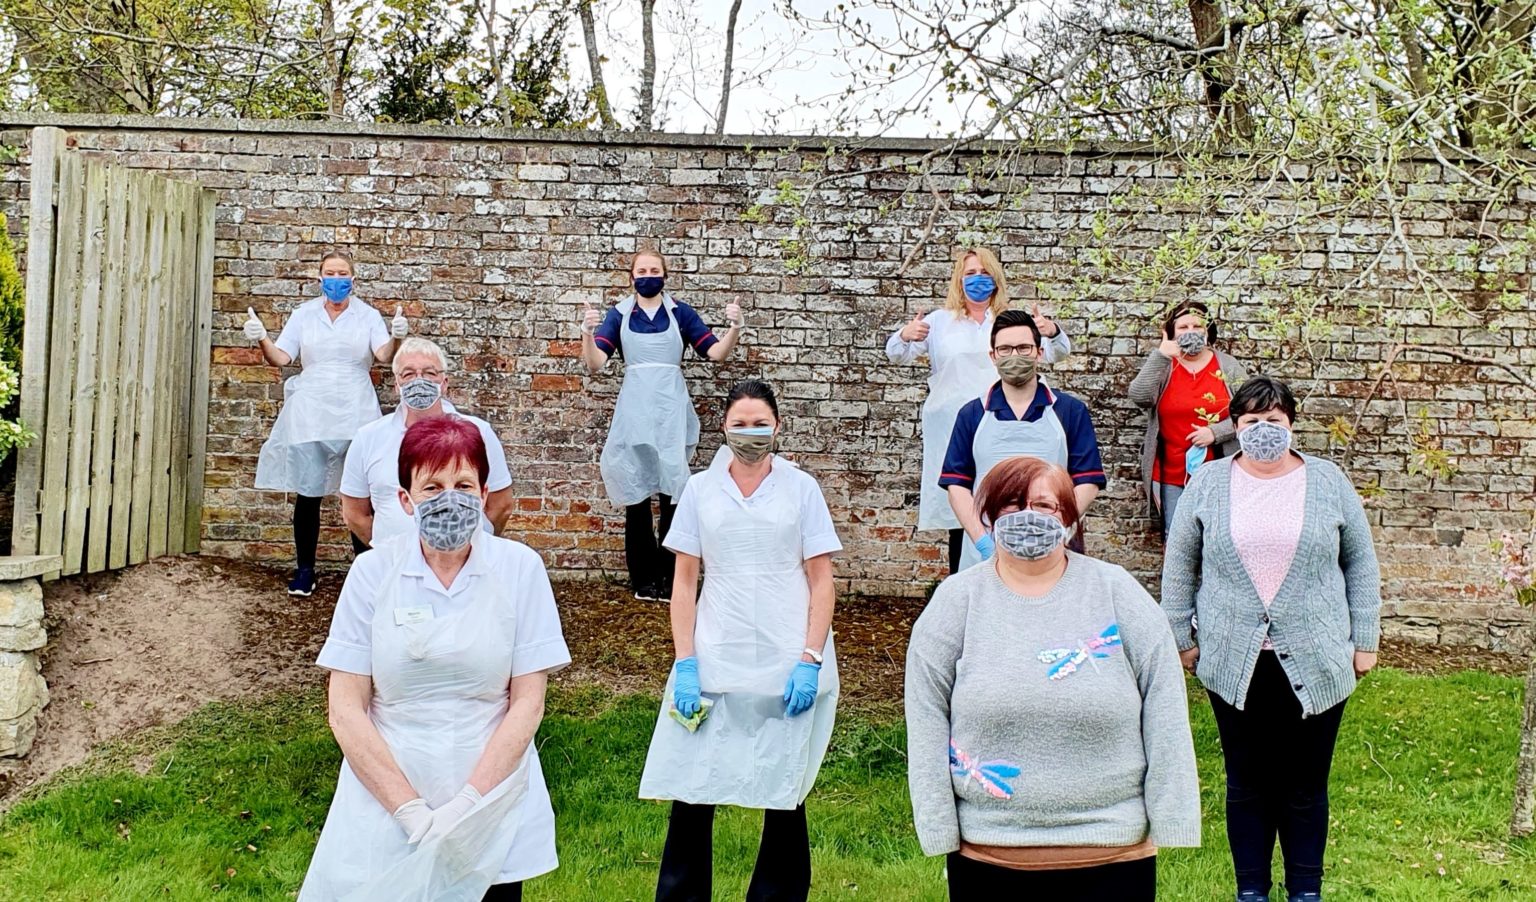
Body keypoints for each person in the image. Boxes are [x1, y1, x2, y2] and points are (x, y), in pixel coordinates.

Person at [300, 416, 570, 902]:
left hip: (491, 800)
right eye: (433, 486)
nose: (450, 497)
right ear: (405, 500)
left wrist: (469, 803)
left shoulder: (519, 570)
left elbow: (528, 703)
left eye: (463, 484)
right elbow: (344, 707)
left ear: (484, 493)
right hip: (386, 800)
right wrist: (408, 809)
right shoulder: (371, 574)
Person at [906, 456, 1200, 899]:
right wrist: (937, 826)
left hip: (1113, 853)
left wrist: (1172, 816)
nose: (1027, 516)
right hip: (988, 853)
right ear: (987, 516)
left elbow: (1165, 706)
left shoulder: (1116, 590)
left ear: (1068, 517)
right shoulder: (956, 602)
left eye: (1044, 506)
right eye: (1011, 505)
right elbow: (926, 717)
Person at [1162, 375, 1382, 902]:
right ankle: (1251, 891)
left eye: (1274, 421)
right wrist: (1182, 638)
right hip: (1232, 659)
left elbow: (1360, 561)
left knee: (1305, 786)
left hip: (1319, 656)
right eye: (1251, 422)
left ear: (1291, 424)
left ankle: (1306, 890)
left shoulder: (1328, 480)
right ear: (1234, 427)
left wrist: (1365, 636)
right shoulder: (1210, 483)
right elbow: (1179, 565)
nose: (1263, 430)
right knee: (1247, 783)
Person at [637, 379, 842, 902]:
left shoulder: (801, 489)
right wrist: (685, 661)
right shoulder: (702, 491)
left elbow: (822, 579)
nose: (750, 433)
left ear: (777, 427)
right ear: (723, 429)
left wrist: (810, 658)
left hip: (785, 650)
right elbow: (685, 581)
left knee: (784, 787)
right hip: (716, 650)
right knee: (694, 783)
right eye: (740, 423)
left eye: (760, 423)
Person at [886, 247, 1071, 573]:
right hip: (951, 423)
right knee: (959, 500)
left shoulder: (1010, 321)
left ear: (996, 279)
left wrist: (1051, 330)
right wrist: (904, 334)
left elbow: (1057, 352)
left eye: (984, 273)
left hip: (1000, 420)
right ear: (959, 279)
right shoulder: (940, 322)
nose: (977, 281)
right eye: (970, 274)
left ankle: (1017, 575)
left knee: (1004, 495)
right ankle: (963, 583)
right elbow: (897, 354)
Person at [580, 248, 743, 602]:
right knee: (636, 497)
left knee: (673, 497)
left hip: (671, 411)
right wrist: (586, 334)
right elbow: (596, 363)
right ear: (632, 276)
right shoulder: (619, 315)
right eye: (642, 270)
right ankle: (643, 581)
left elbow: (715, 354)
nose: (648, 274)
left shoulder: (680, 313)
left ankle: (671, 580)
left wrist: (735, 328)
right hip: (634, 412)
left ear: (664, 275)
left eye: (654, 269)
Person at [246, 250, 408, 596]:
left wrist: (397, 336)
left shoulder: (366, 315)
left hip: (356, 409)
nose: (337, 279)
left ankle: (366, 569)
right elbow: (282, 357)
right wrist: (261, 337)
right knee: (309, 492)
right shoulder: (304, 315)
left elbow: (383, 355)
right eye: (330, 273)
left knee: (359, 493)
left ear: (353, 278)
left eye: (343, 273)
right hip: (312, 410)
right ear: (319, 278)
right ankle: (305, 571)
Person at [939, 309, 1104, 571]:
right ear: (993, 356)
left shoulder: (1069, 411)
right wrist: (983, 541)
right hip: (986, 550)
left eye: (1024, 348)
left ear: (1039, 352)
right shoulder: (972, 414)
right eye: (1005, 349)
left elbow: (1088, 481)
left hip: (1056, 544)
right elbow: (957, 485)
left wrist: (1056, 531)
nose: (1014, 356)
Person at [341, 337, 514, 550]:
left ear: (444, 383)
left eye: (430, 373)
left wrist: (471, 543)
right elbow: (354, 514)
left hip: (465, 564)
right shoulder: (368, 438)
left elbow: (501, 506)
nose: (419, 381)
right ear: (397, 385)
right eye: (409, 374)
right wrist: (389, 551)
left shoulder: (479, 433)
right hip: (393, 566)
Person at [1127, 301, 1249, 533]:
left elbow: (1250, 413)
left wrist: (1215, 433)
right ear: (1171, 332)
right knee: (1176, 539)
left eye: (1197, 326)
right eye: (1183, 327)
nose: (1191, 332)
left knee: (1217, 538)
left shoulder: (1227, 366)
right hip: (1169, 475)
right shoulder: (1165, 365)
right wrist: (1161, 355)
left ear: (1207, 331)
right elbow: (1139, 396)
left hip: (1219, 475)